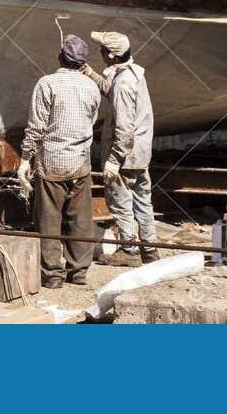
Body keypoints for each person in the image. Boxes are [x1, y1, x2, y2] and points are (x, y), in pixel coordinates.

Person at [19, 34, 103, 288]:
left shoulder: (47, 84)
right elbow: (91, 121)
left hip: (52, 161)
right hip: (80, 162)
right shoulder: (92, 87)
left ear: (60, 57)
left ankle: (53, 276)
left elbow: (36, 127)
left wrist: (25, 159)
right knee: (80, 219)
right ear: (82, 62)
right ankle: (78, 272)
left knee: (49, 218)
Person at [92, 30, 157, 267]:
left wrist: (114, 159)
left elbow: (124, 126)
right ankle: (150, 250)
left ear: (111, 55)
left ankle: (128, 251)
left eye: (102, 50)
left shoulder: (123, 83)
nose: (99, 53)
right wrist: (92, 74)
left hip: (125, 154)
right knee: (143, 200)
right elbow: (114, 94)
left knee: (120, 200)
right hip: (140, 153)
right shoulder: (134, 74)